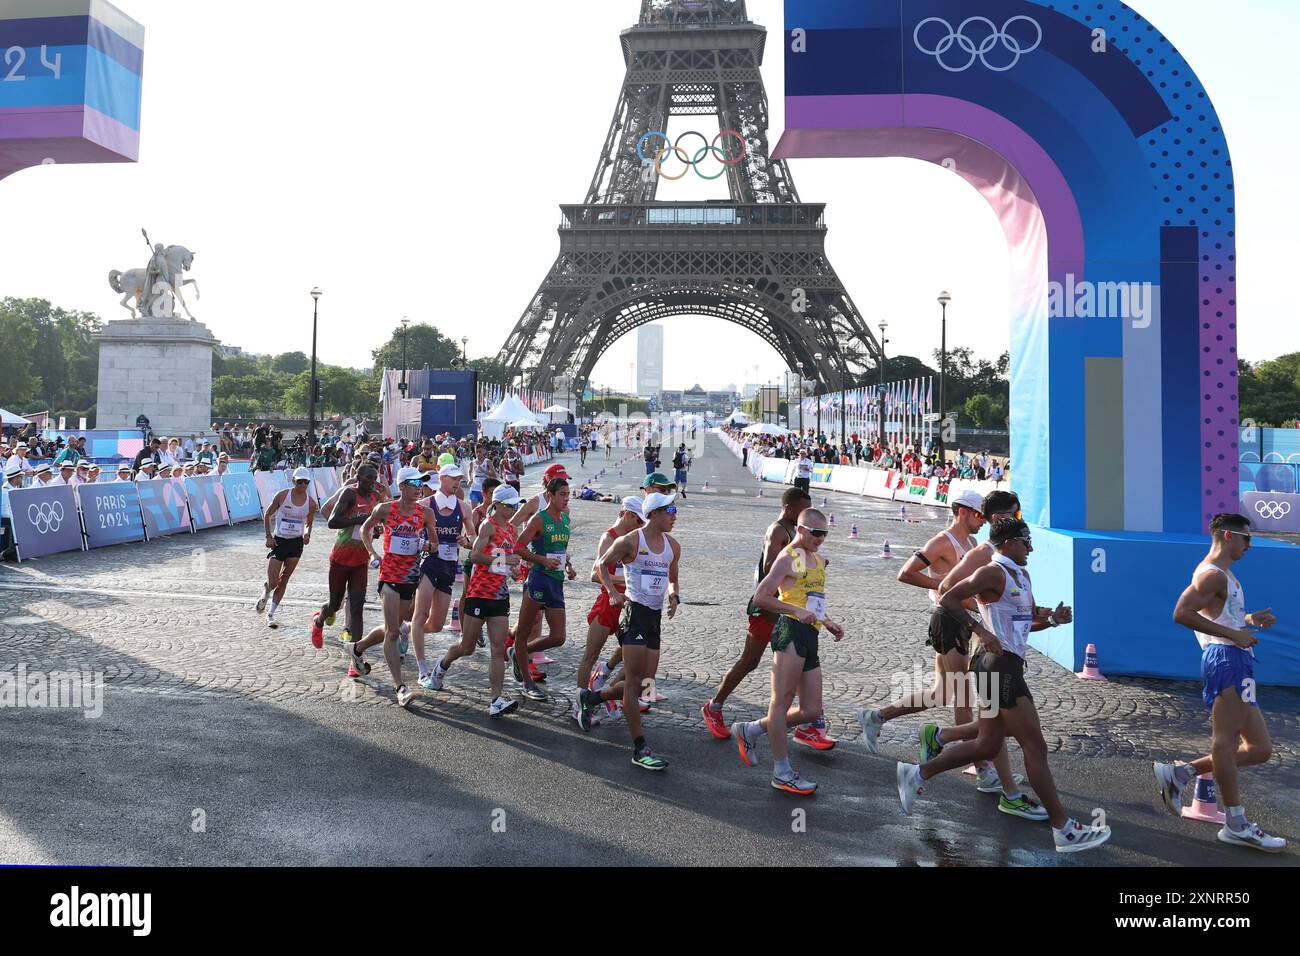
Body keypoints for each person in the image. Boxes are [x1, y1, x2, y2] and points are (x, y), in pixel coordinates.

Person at [897, 518, 1111, 854]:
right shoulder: (991, 572)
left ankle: (917, 774)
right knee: (1035, 747)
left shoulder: (1021, 575)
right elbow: (948, 598)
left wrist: (1053, 619)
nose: (1031, 547)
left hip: (1007, 665)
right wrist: (980, 630)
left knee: (986, 744)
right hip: (996, 667)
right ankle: (1063, 828)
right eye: (1026, 541)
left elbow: (1025, 622)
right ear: (1009, 542)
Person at [857, 490, 1040, 816]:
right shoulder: (952, 543)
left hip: (967, 623)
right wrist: (963, 597)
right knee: (969, 699)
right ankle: (984, 769)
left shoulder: (976, 546)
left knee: (951, 693)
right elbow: (925, 583)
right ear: (967, 512)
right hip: (951, 622)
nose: (981, 520)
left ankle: (888, 720)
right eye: (1015, 515)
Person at [1157, 513, 1284, 851]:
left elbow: (1217, 613)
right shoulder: (1213, 574)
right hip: (1225, 659)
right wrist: (1233, 634)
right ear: (1227, 535)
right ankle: (1236, 823)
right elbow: (1181, 613)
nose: (1249, 545)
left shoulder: (1224, 576)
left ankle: (1181, 773)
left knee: (1260, 749)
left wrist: (1247, 620)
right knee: (1225, 742)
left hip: (1236, 659)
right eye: (1246, 538)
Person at [703, 488, 834, 750]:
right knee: (750, 661)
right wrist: (798, 567)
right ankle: (714, 705)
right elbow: (768, 570)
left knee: (799, 672)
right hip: (770, 611)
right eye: (802, 510)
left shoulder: (807, 548)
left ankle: (809, 723)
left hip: (795, 614)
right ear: (789, 510)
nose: (818, 535)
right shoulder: (778, 532)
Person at [732, 509, 845, 795]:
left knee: (811, 710)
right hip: (790, 631)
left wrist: (827, 621)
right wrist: (795, 610)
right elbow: (761, 597)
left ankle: (752, 730)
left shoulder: (818, 560)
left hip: (811, 634)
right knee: (781, 701)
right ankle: (781, 772)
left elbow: (813, 601)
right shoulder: (787, 558)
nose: (821, 539)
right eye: (816, 533)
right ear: (801, 530)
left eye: (825, 534)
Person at [577, 492, 681, 770]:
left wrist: (674, 595)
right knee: (634, 685)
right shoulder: (631, 541)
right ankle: (639, 748)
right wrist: (612, 592)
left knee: (645, 682)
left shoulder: (673, 546)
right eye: (670, 510)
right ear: (655, 513)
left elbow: (673, 578)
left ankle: (593, 697)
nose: (675, 515)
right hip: (633, 614)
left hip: (654, 618)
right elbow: (600, 565)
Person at [425, 484, 524, 717]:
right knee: (467, 647)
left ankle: (496, 700)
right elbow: (475, 555)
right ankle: (441, 666)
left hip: (499, 595)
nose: (512, 510)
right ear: (497, 505)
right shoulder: (488, 526)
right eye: (509, 505)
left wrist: (515, 569)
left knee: (498, 649)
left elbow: (507, 563)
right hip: (479, 594)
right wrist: (505, 559)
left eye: (515, 505)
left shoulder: (512, 530)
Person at [351, 467, 438, 707]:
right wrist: (373, 554)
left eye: (421, 483)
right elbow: (365, 529)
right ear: (401, 486)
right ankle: (399, 686)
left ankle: (357, 648)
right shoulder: (385, 509)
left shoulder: (426, 513)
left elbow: (435, 544)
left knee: (395, 627)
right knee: (392, 633)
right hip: (389, 574)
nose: (419, 487)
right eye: (414, 483)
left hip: (411, 577)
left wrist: (424, 545)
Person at [574, 496, 645, 724]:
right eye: (638, 520)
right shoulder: (609, 537)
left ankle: (606, 690)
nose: (641, 525)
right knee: (590, 655)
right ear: (627, 515)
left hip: (628, 605)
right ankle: (581, 704)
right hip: (609, 602)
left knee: (634, 655)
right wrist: (623, 580)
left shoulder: (634, 539)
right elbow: (595, 574)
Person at [508, 476, 577, 701]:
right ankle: (528, 683)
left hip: (556, 582)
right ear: (550, 495)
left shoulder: (565, 519)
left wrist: (568, 566)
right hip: (538, 579)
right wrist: (541, 560)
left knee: (558, 637)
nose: (566, 498)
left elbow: (561, 548)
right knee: (524, 631)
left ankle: (518, 654)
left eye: (568, 494)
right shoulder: (539, 519)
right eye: (562, 494)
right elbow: (518, 546)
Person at [410, 464, 477, 687]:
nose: (458, 482)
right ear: (441, 479)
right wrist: (425, 544)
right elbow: (408, 534)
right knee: (420, 614)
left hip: (449, 567)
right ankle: (422, 670)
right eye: (453, 478)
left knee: (437, 624)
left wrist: (466, 541)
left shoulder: (464, 508)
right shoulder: (425, 505)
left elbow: (474, 540)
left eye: (460, 478)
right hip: (428, 563)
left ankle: (404, 629)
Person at [310, 464, 381, 650]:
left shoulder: (376, 498)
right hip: (341, 559)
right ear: (358, 477)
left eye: (374, 478)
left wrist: (374, 531)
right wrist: (358, 520)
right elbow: (332, 521)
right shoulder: (349, 494)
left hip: (360, 561)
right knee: (335, 605)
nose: (372, 482)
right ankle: (319, 621)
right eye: (368, 478)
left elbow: (373, 526)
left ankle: (356, 653)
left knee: (357, 608)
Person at [257, 467, 317, 628]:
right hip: (279, 542)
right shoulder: (283, 495)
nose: (303, 485)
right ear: (293, 481)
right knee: (274, 581)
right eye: (300, 481)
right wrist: (268, 536)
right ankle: (266, 590)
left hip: (296, 544)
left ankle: (270, 614)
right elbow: (268, 515)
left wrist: (307, 534)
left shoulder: (311, 503)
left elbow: (308, 525)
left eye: (306, 482)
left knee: (284, 580)